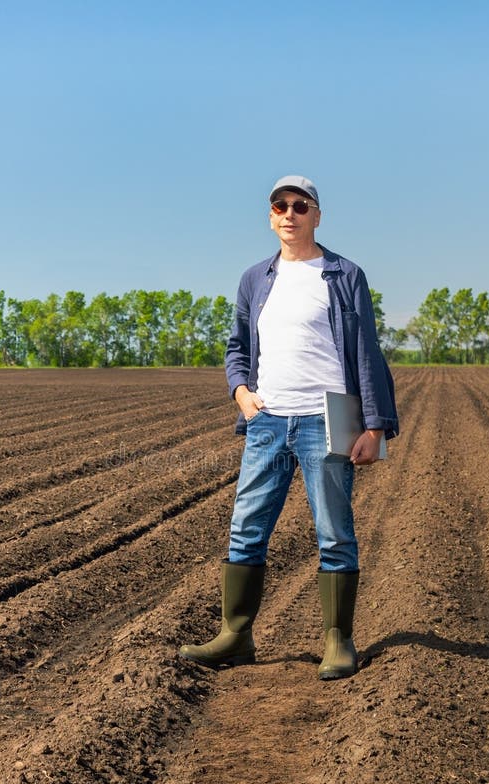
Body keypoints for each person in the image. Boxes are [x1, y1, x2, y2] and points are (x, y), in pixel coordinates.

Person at [179, 175, 398, 679]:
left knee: (334, 532)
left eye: (301, 206)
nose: (289, 213)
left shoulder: (344, 274)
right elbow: (237, 346)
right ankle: (236, 635)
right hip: (268, 420)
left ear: (317, 216)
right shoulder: (256, 278)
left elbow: (367, 350)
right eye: (280, 205)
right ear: (270, 215)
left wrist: (375, 426)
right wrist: (241, 393)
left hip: (329, 419)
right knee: (245, 527)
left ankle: (339, 640)